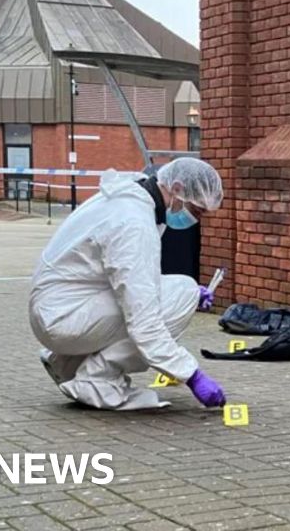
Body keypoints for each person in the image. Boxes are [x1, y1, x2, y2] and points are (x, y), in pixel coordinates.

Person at [29, 158, 226, 410]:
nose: (195, 220)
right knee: (180, 293)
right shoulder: (134, 223)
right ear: (176, 189)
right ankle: (97, 380)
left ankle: (66, 363)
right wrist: (191, 375)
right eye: (196, 210)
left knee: (177, 290)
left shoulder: (126, 199)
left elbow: (124, 279)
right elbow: (145, 321)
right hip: (65, 318)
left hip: (56, 309)